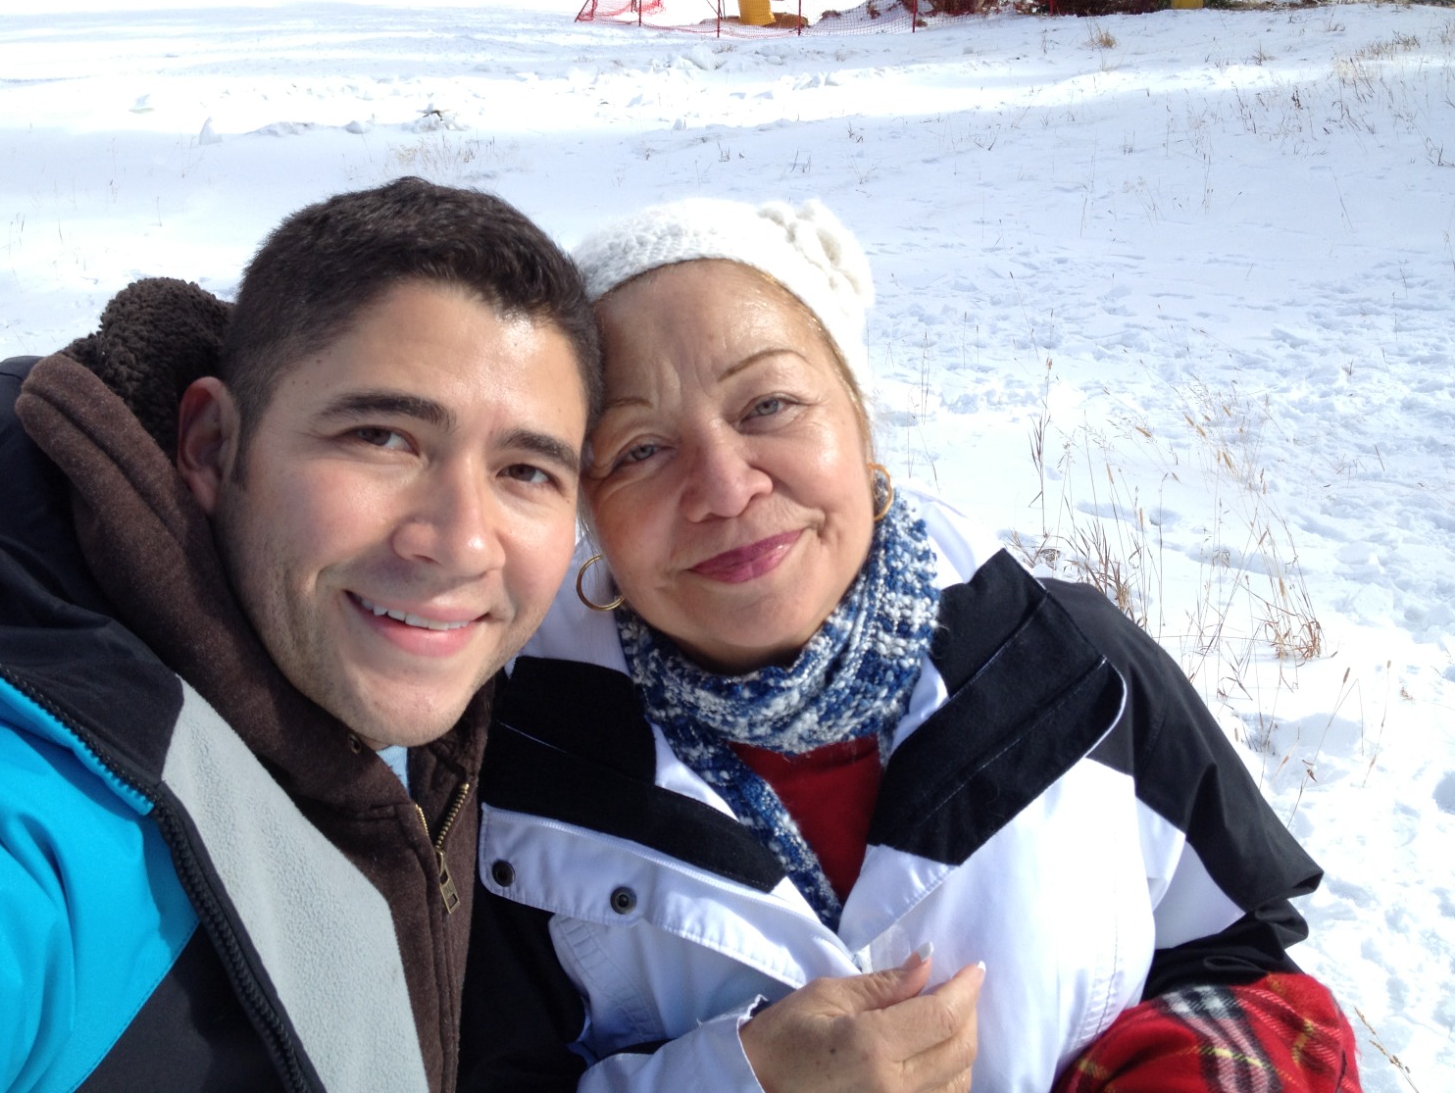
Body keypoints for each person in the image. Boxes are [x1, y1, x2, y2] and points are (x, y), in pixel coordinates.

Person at [457, 198, 1362, 1093]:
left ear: (857, 420)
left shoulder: (1076, 665)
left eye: (769, 404)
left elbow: (1239, 956)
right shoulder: (510, 769)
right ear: (587, 507)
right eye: (640, 450)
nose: (726, 488)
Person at [0, 178, 599, 1092]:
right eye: (382, 437)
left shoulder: (434, 701)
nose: (463, 543)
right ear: (210, 446)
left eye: (526, 470)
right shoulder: (8, 823)